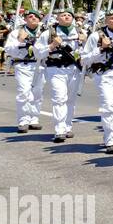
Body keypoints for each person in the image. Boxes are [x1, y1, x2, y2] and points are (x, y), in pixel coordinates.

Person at [80, 9, 113, 154]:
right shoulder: (96, 36)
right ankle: (111, 140)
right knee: (108, 106)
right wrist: (102, 48)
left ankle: (112, 133)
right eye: (112, 18)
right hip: (104, 74)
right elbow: (84, 59)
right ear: (106, 20)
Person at [35, 9, 85, 142]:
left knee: (70, 99)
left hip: (74, 68)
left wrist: (84, 41)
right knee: (59, 98)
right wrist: (52, 46)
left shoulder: (81, 32)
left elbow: (88, 52)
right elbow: (38, 53)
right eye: (63, 15)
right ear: (57, 18)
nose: (67, 17)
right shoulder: (49, 33)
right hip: (55, 69)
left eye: (69, 15)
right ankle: (59, 129)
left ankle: (67, 126)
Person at [5, 10, 44, 133]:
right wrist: (20, 41)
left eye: (35, 16)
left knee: (37, 94)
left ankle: (34, 119)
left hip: (39, 65)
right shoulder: (17, 32)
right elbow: (8, 49)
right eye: (30, 16)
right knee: (24, 93)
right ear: (25, 19)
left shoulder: (44, 32)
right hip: (23, 64)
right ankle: (23, 120)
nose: (33, 18)